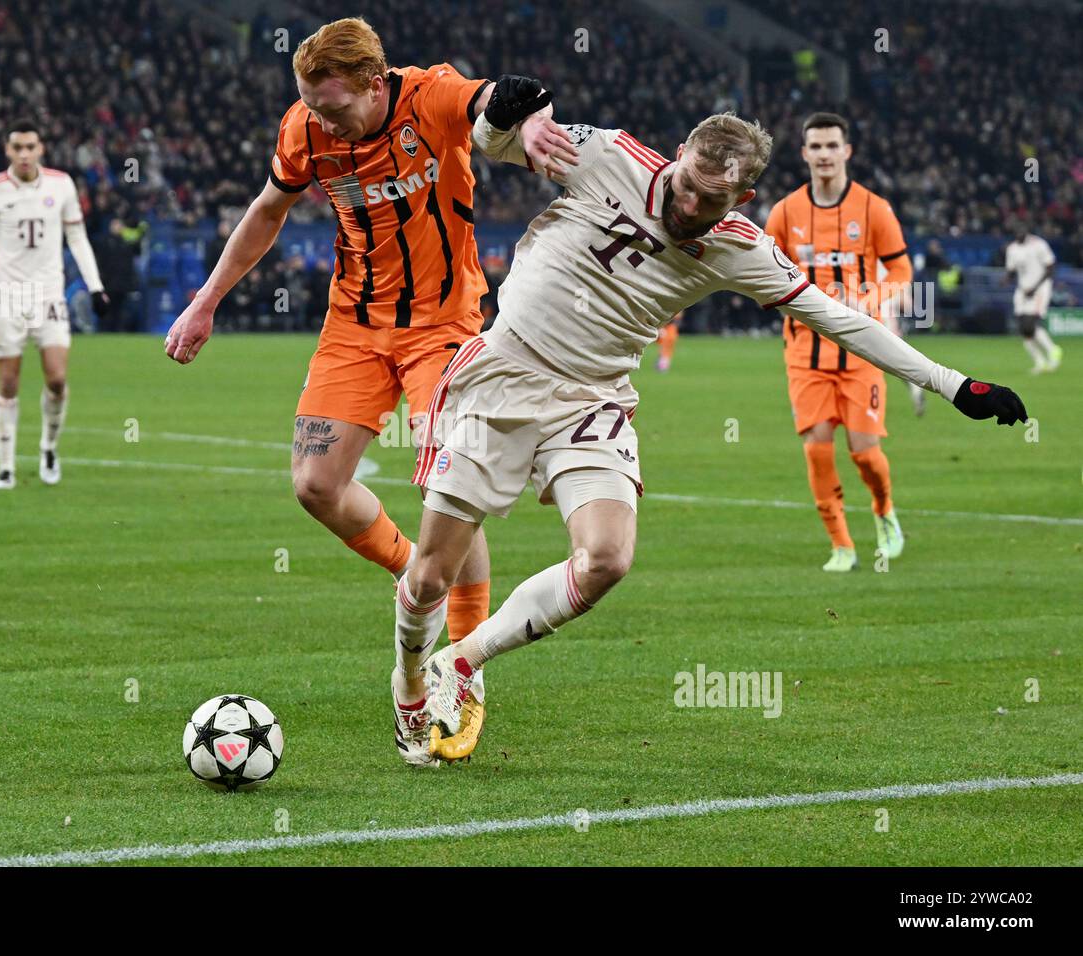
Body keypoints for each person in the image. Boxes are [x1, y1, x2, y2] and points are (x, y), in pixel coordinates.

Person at [393, 93, 1026, 746]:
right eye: (688, 185)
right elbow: (492, 142)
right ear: (678, 158)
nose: (691, 207)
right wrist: (507, 116)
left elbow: (841, 319)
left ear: (742, 200)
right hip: (502, 374)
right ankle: (411, 679)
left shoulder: (740, 247)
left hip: (592, 401)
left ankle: (462, 662)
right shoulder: (608, 154)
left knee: (607, 557)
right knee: (431, 574)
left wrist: (953, 386)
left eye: (712, 200)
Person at [163, 18, 563, 765]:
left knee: (456, 487)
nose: (321, 120)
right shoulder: (305, 129)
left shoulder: (429, 96)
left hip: (442, 324)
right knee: (315, 484)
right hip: (353, 321)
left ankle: (461, 673)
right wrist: (205, 300)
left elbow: (494, 101)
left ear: (377, 85)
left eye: (334, 105)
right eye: (311, 105)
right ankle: (420, 571)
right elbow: (268, 211)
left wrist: (531, 117)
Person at [764, 112, 916, 572]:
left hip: (861, 348)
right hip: (804, 352)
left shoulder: (874, 209)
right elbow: (763, 272)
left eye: (833, 146)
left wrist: (873, 298)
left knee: (865, 453)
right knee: (817, 447)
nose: (825, 154)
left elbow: (902, 272)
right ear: (804, 153)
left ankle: (884, 511)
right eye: (817, 146)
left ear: (847, 151)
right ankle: (842, 545)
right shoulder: (785, 212)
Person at [0, 119, 110, 489]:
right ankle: (6, 466)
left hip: (48, 294)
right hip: (7, 296)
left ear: (41, 148)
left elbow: (77, 237)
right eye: (18, 148)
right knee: (8, 383)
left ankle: (48, 447)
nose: (25, 154)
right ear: (8, 151)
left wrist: (95, 287)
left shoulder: (61, 185)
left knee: (58, 379)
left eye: (31, 146)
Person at [1003, 222, 1062, 374]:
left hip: (1040, 289)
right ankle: (1040, 361)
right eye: (1017, 230)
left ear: (1027, 230)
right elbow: (1011, 271)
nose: (1020, 232)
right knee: (1024, 329)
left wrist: (1034, 288)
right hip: (1023, 290)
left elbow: (1050, 268)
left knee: (1029, 325)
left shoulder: (1039, 244)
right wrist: (1006, 279)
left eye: (1023, 229)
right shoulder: (1012, 249)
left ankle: (1053, 350)